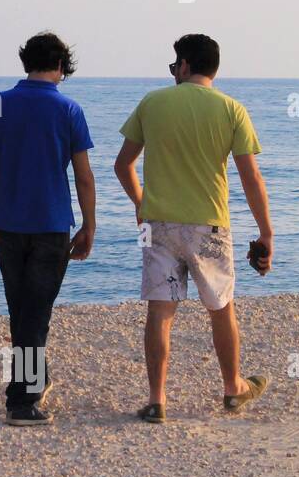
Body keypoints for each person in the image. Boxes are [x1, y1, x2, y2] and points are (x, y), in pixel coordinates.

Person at [113, 33, 274, 423]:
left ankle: (157, 400)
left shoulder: (152, 104)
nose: (173, 73)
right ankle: (233, 387)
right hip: (210, 225)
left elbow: (123, 164)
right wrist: (265, 231)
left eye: (174, 66)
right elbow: (250, 176)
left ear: (185, 65)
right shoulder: (232, 110)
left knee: (160, 311)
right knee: (221, 310)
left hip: (159, 225)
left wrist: (141, 203)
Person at [0, 32, 96, 426]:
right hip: (51, 223)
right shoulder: (69, 109)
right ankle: (21, 401)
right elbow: (84, 177)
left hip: (7, 222)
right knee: (34, 310)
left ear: (26, 62)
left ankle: (37, 378)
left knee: (23, 308)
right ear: (60, 67)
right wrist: (89, 223)